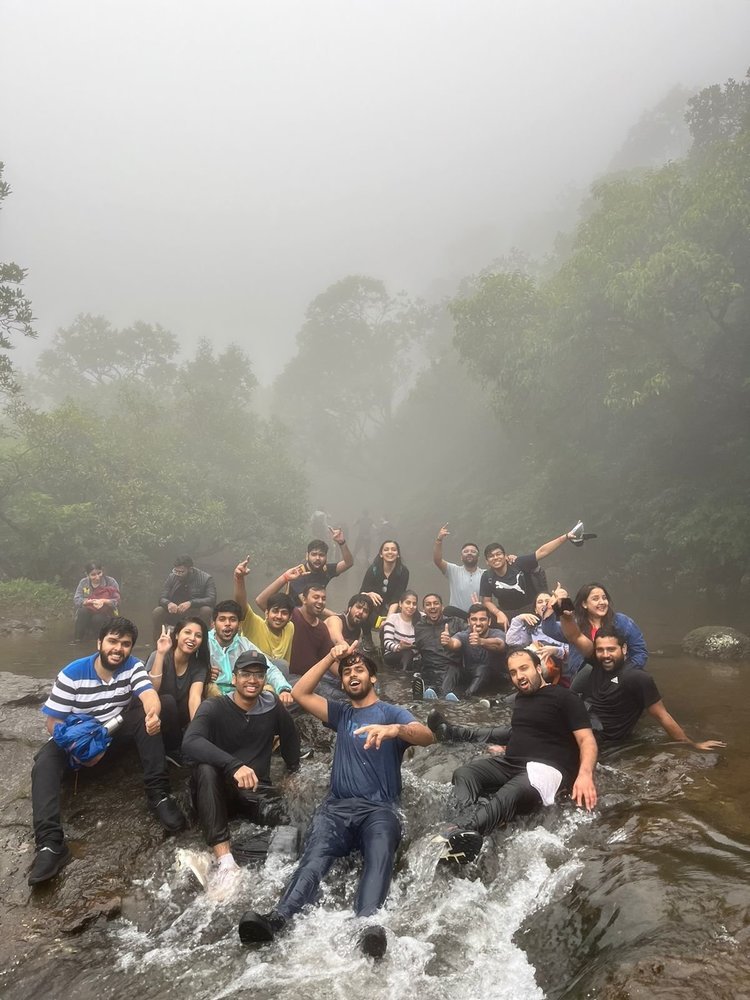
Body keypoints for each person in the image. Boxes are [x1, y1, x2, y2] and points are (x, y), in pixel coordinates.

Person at [238, 642, 434, 958]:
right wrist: (331, 656)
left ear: (373, 679)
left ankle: (368, 927)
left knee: (380, 853)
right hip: (336, 809)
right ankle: (278, 918)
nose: (352, 675)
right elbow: (301, 693)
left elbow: (426, 735)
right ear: (342, 683)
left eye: (359, 670)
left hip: (379, 809)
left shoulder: (390, 712)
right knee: (313, 856)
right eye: (346, 672)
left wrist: (395, 730)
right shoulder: (341, 713)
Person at [28, 618, 185, 885]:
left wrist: (152, 715)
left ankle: (158, 795)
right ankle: (50, 844)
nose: (118, 649)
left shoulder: (132, 666)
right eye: (113, 641)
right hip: (80, 737)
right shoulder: (72, 673)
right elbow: (52, 722)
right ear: (99, 643)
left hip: (112, 732)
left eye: (125, 644)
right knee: (44, 763)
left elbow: (148, 695)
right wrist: (76, 745)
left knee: (146, 717)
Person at [430, 631, 725, 753]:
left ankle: (459, 735)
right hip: (579, 719)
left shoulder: (637, 678)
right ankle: (454, 733)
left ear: (624, 649)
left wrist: (691, 746)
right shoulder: (595, 669)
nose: (606, 654)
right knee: (514, 728)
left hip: (596, 734)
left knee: (516, 736)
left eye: (612, 649)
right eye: (601, 650)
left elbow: (662, 716)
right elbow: (574, 637)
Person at [436, 647, 597, 865]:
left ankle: (465, 833)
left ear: (538, 668)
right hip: (512, 762)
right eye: (513, 672)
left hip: (547, 769)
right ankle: (459, 820)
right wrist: (507, 748)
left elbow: (586, 740)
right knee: (465, 773)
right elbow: (526, 731)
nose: (519, 676)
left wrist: (585, 774)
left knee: (509, 793)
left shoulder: (565, 697)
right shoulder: (521, 699)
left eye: (524, 668)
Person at [182, 649, 301, 900]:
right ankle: (225, 862)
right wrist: (233, 765)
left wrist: (293, 773)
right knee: (205, 768)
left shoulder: (272, 707)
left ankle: (217, 859)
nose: (252, 680)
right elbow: (190, 742)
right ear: (234, 678)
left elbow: (291, 738)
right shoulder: (214, 707)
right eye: (246, 674)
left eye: (258, 675)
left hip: (254, 791)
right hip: (216, 790)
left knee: (294, 827)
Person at [479, 525, 584, 629]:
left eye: (498, 554)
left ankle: (578, 626)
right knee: (482, 616)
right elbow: (487, 601)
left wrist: (565, 537)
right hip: (508, 613)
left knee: (561, 599)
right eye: (491, 556)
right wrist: (498, 613)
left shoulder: (518, 563)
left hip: (533, 607)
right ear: (487, 562)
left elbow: (542, 551)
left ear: (505, 556)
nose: (495, 558)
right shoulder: (487, 576)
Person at [543, 581, 648, 683]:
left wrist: (625, 674)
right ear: (584, 604)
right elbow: (549, 629)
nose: (602, 602)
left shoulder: (622, 622)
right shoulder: (575, 626)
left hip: (620, 679)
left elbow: (639, 651)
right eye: (595, 599)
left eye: (604, 598)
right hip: (586, 682)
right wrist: (551, 605)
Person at [146, 617, 210, 763]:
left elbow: (195, 697)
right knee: (167, 701)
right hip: (156, 715)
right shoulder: (159, 655)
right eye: (187, 632)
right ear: (176, 635)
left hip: (180, 717)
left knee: (205, 703)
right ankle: (173, 748)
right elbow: (152, 690)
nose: (192, 638)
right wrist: (160, 654)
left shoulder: (199, 665)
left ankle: (187, 742)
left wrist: (197, 731)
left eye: (198, 636)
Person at [208, 600, 293, 705]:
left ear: (239, 624)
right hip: (212, 694)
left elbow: (270, 668)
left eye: (233, 620)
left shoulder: (244, 644)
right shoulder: (204, 641)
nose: (227, 624)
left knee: (269, 690)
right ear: (213, 623)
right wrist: (205, 673)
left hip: (239, 692)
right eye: (222, 619)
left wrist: (284, 689)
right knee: (209, 687)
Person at [233, 556, 296, 667]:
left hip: (277, 677)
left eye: (284, 613)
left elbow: (287, 664)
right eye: (275, 611)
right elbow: (241, 604)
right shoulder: (254, 624)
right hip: (249, 673)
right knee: (282, 665)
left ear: (290, 617)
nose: (279, 616)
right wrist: (239, 579)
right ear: (266, 613)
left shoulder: (289, 628)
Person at [440, 603, 507, 697]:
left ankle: (466, 698)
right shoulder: (464, 634)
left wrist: (481, 641)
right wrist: (448, 641)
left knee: (483, 669)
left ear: (489, 621)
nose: (478, 623)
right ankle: (443, 696)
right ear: (468, 621)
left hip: (493, 678)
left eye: (482, 619)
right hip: (471, 675)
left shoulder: (497, 633)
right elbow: (454, 643)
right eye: (474, 619)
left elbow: (499, 644)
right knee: (453, 668)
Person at [505, 591, 569, 684]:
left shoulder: (563, 625)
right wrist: (519, 618)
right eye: (540, 602)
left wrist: (555, 650)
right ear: (535, 609)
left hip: (562, 669)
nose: (544, 604)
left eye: (548, 600)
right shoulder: (532, 629)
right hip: (538, 669)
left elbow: (575, 649)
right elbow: (511, 641)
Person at [359, 540, 410, 652]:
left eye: (393, 549)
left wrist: (389, 620)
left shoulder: (403, 572)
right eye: (386, 549)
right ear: (381, 554)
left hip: (392, 607)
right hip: (374, 606)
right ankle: (367, 636)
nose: (390, 552)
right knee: (362, 602)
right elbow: (361, 592)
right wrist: (369, 593)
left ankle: (387, 641)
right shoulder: (373, 569)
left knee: (408, 604)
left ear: (398, 554)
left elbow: (397, 597)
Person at [411, 594, 464, 700]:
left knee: (447, 685)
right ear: (424, 609)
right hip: (430, 667)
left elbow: (469, 633)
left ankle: (446, 698)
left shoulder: (455, 622)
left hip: (451, 666)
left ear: (442, 607)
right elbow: (419, 650)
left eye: (436, 603)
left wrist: (452, 641)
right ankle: (429, 696)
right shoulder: (419, 626)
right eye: (428, 604)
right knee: (428, 685)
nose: (432, 607)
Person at [152, 555, 216, 641]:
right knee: (158, 611)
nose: (178, 574)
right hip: (175, 611)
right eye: (176, 571)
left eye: (181, 572)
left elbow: (211, 599)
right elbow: (162, 597)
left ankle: (203, 641)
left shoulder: (206, 578)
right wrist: (168, 603)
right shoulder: (172, 577)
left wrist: (191, 603)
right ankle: (157, 647)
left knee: (206, 610)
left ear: (190, 569)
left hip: (194, 612)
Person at [287, 531, 354, 605]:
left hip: (314, 610)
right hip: (294, 613)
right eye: (314, 554)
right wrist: (336, 615)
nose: (317, 558)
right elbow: (308, 603)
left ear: (326, 558)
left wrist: (342, 542)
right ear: (307, 556)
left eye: (321, 555)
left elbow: (348, 563)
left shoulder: (326, 570)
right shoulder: (298, 574)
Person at [432, 524, 483, 617]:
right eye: (466, 551)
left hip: (477, 616)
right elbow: (437, 560)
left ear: (478, 557)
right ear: (461, 557)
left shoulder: (485, 574)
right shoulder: (454, 570)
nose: (469, 553)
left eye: (473, 551)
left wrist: (510, 558)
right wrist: (439, 540)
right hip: (455, 616)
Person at [72, 562, 121, 643]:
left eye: (99, 573)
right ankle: (77, 640)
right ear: (87, 575)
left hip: (107, 612)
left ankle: (100, 641)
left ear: (102, 571)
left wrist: (104, 601)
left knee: (97, 619)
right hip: (88, 610)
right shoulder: (83, 582)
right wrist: (88, 602)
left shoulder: (111, 582)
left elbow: (117, 601)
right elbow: (77, 599)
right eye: (93, 575)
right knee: (82, 612)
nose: (97, 577)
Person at [382, 590, 419, 671]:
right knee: (407, 653)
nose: (411, 606)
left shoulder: (421, 619)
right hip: (393, 653)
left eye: (414, 604)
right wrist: (399, 647)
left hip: (414, 655)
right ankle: (404, 675)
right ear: (400, 604)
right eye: (408, 602)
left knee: (410, 654)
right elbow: (387, 642)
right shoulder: (393, 618)